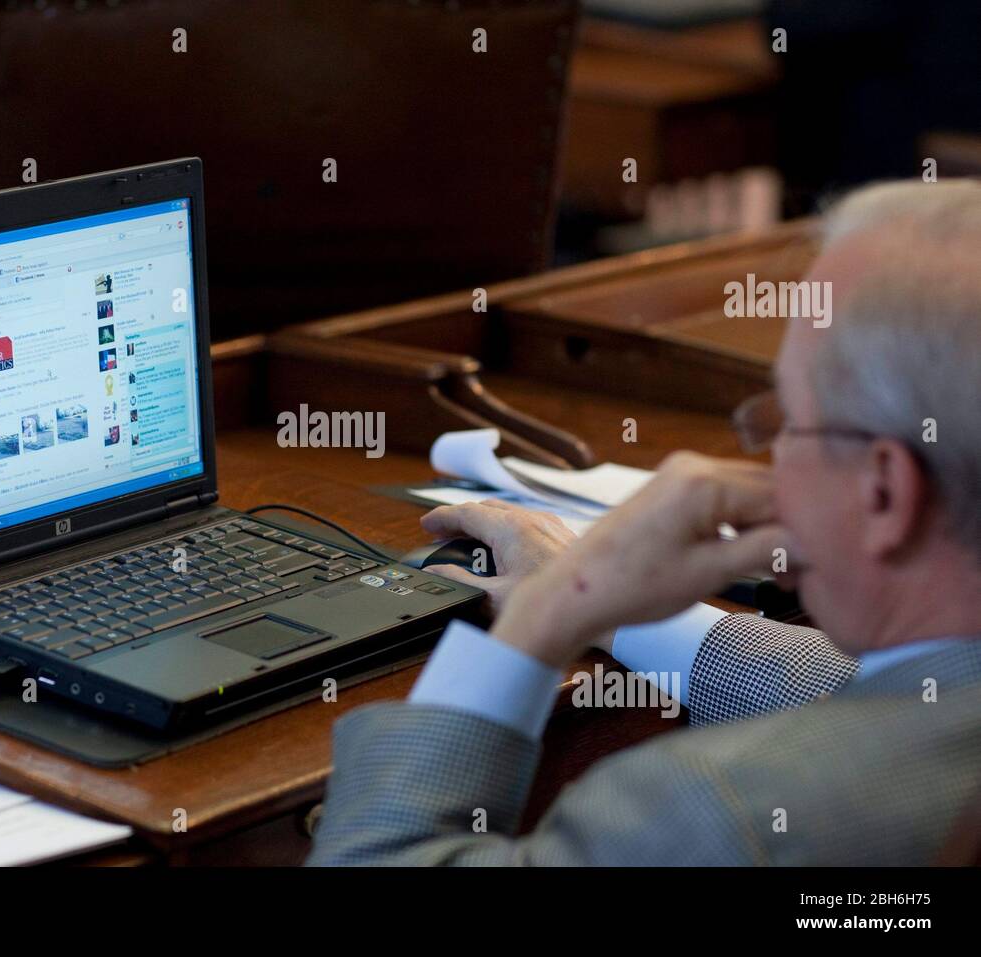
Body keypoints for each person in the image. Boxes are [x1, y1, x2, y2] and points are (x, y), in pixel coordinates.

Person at [307, 180, 981, 865]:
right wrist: (604, 607)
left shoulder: (719, 813)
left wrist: (537, 623)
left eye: (789, 424)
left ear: (884, 493)